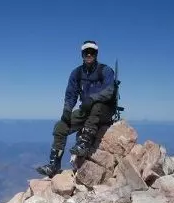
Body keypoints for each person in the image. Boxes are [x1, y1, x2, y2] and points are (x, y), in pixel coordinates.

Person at [36, 40, 116, 178]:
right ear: (82, 54)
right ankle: (54, 164)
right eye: (86, 52)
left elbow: (109, 91)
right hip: (85, 111)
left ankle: (84, 144)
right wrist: (67, 110)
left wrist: (92, 98)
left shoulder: (106, 70)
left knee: (97, 106)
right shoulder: (77, 73)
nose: (89, 54)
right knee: (60, 127)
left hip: (104, 110)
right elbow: (71, 94)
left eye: (92, 52)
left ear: (96, 54)